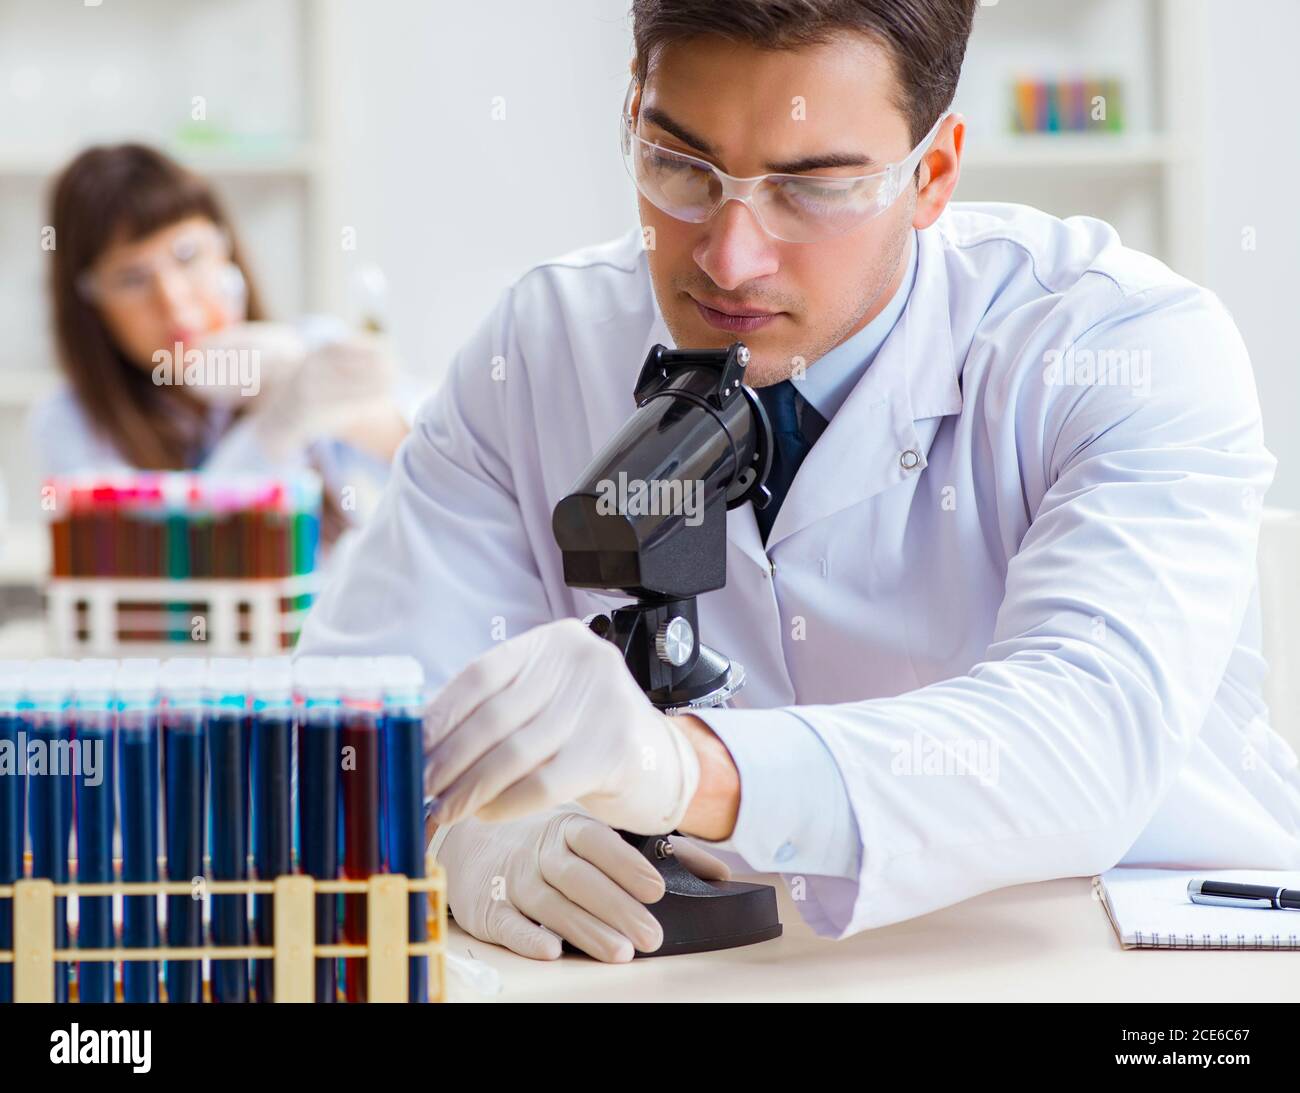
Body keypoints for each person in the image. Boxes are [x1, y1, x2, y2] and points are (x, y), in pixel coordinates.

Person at [298, 0, 1300, 962]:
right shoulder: (542, 344)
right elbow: (352, 728)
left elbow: (1081, 736)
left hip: (1132, 967)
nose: (729, 259)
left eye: (812, 186)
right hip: (713, 980)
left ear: (933, 172)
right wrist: (458, 843)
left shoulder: (1116, 342)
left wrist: (682, 768)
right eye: (678, 165)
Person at [30, 143, 413, 543]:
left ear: (225, 251)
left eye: (187, 256)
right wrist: (273, 428)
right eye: (133, 279)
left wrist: (346, 410)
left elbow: (450, 463)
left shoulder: (309, 349)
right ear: (92, 307)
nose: (173, 301)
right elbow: (175, 567)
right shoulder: (70, 421)